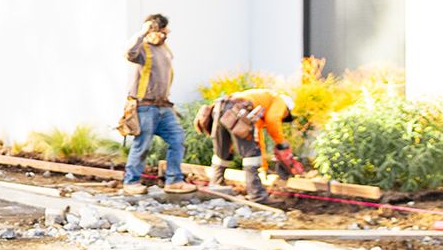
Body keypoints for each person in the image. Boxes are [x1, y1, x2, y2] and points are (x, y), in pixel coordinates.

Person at [121, 13, 192, 196]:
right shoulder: (142, 49)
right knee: (142, 144)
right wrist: (142, 32)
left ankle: (174, 180)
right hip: (145, 106)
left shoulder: (164, 49)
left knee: (178, 139)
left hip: (164, 106)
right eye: (161, 30)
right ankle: (132, 182)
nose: (165, 33)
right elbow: (128, 53)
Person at [201, 87, 306, 202]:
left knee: (223, 153)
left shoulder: (261, 104)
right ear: (287, 110)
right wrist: (281, 143)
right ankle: (257, 195)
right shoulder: (279, 100)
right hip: (237, 111)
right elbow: (272, 121)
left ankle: (216, 186)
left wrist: (263, 167)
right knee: (251, 156)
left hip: (220, 108)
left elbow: (258, 140)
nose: (282, 117)